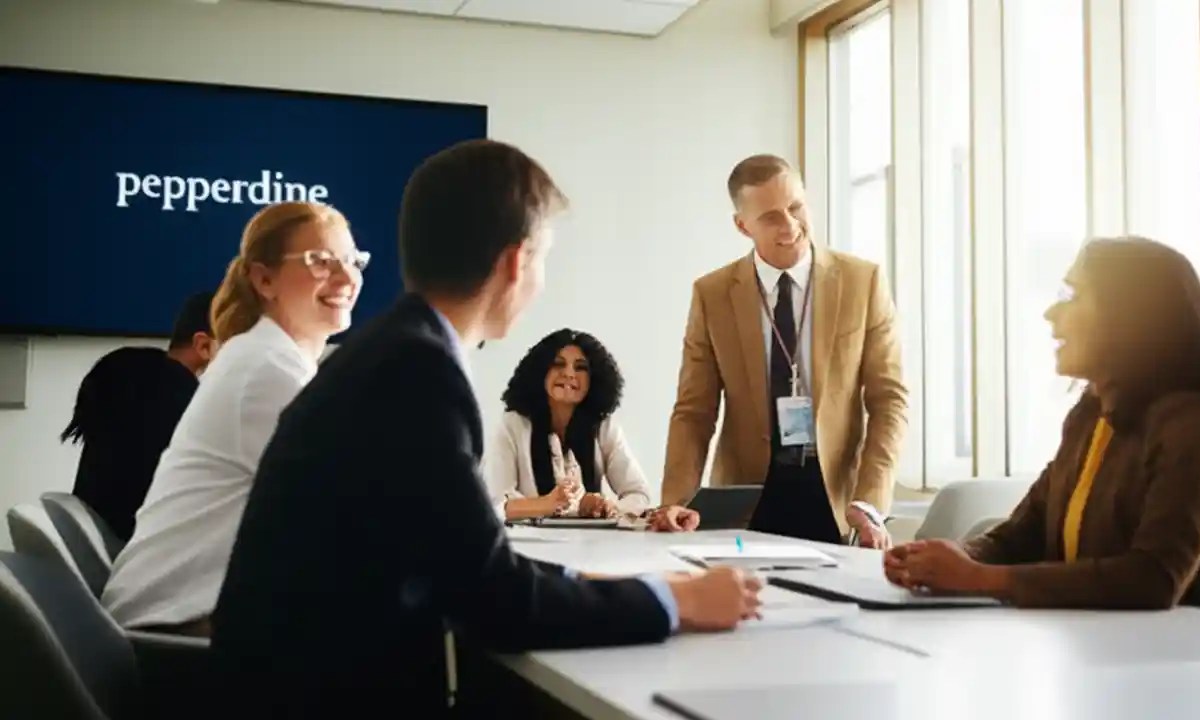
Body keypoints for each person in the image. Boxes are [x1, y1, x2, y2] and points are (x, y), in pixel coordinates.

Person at [209, 139, 763, 717]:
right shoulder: (417, 370)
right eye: (544, 259)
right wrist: (673, 600)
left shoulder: (395, 350)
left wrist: (590, 579)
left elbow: (466, 557)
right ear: (516, 262)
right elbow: (497, 601)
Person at [885, 237, 1200, 611]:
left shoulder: (1192, 422)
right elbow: (1023, 535)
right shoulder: (1091, 413)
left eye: (1072, 295)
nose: (1050, 313)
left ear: (1130, 313)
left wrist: (979, 578)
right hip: (1103, 647)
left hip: (1196, 659)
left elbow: (1153, 579)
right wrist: (943, 560)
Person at [100, 202, 365, 633]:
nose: (348, 276)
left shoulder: (263, 356)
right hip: (176, 636)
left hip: (179, 616)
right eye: (322, 261)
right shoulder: (266, 371)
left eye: (353, 261)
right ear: (264, 279)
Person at [657, 154, 908, 546]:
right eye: (771, 216)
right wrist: (675, 501)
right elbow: (694, 412)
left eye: (795, 207)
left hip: (838, 501)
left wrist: (871, 501)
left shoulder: (864, 282)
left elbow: (889, 401)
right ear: (742, 225)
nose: (790, 225)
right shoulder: (712, 295)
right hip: (744, 505)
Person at [61, 290, 215, 542]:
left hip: (104, 545)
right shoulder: (180, 400)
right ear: (203, 345)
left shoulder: (131, 376)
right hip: (139, 552)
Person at [485, 328, 652, 520]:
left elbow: (639, 494)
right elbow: (494, 504)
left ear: (594, 379)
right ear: (540, 372)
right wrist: (547, 505)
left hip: (591, 545)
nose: (569, 374)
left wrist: (608, 507)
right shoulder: (512, 425)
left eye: (580, 368)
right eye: (558, 364)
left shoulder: (603, 427)